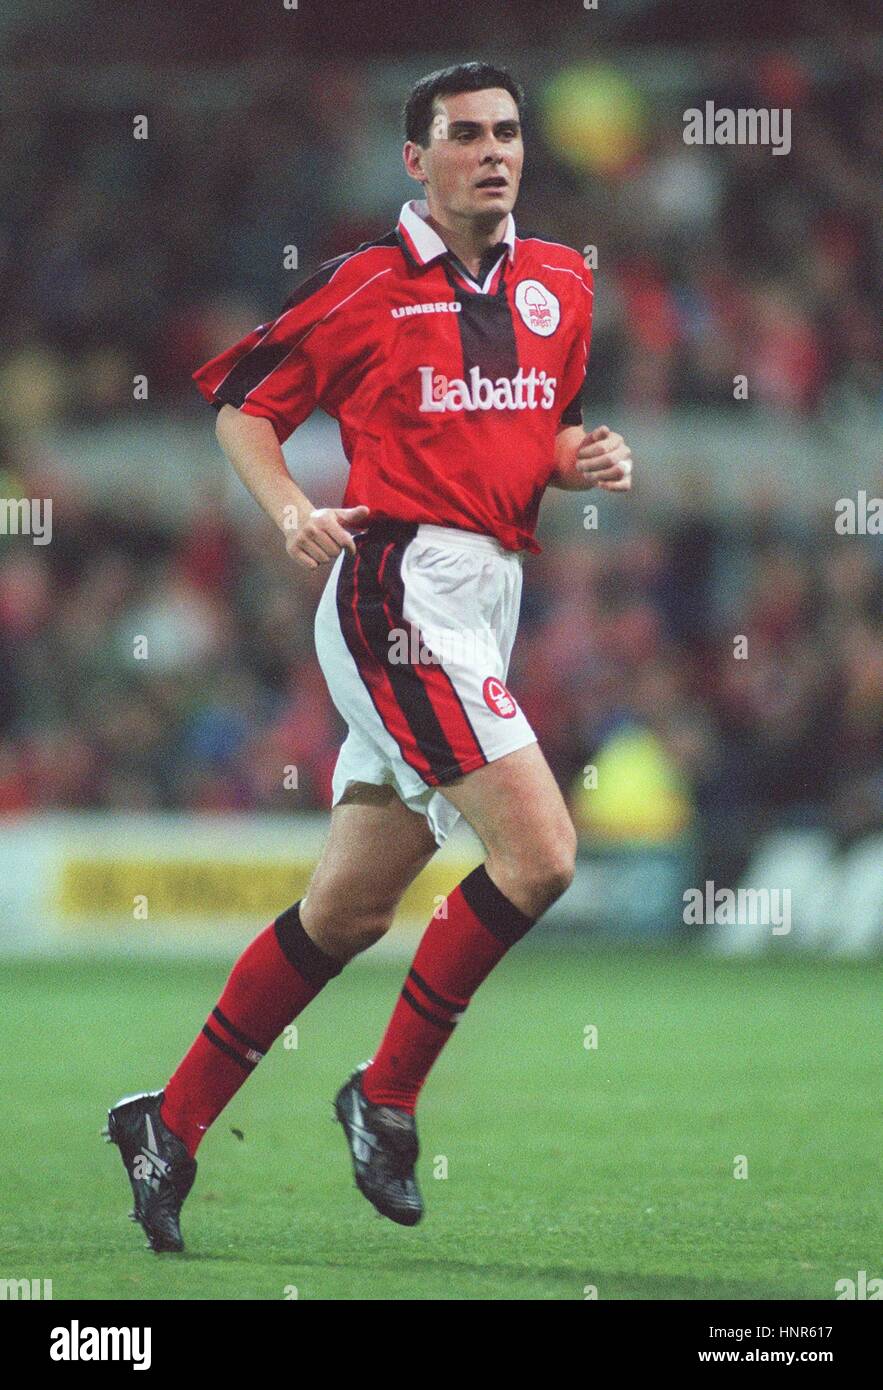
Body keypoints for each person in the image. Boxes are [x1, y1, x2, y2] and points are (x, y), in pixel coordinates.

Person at [106, 61, 633, 1251]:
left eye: (507, 133)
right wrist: (289, 507)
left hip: (486, 589)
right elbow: (243, 405)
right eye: (465, 136)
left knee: (343, 912)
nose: (492, 153)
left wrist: (572, 458)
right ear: (415, 159)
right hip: (397, 586)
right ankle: (385, 1098)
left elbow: (520, 433)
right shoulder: (362, 287)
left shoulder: (560, 283)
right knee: (541, 853)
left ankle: (169, 1124)